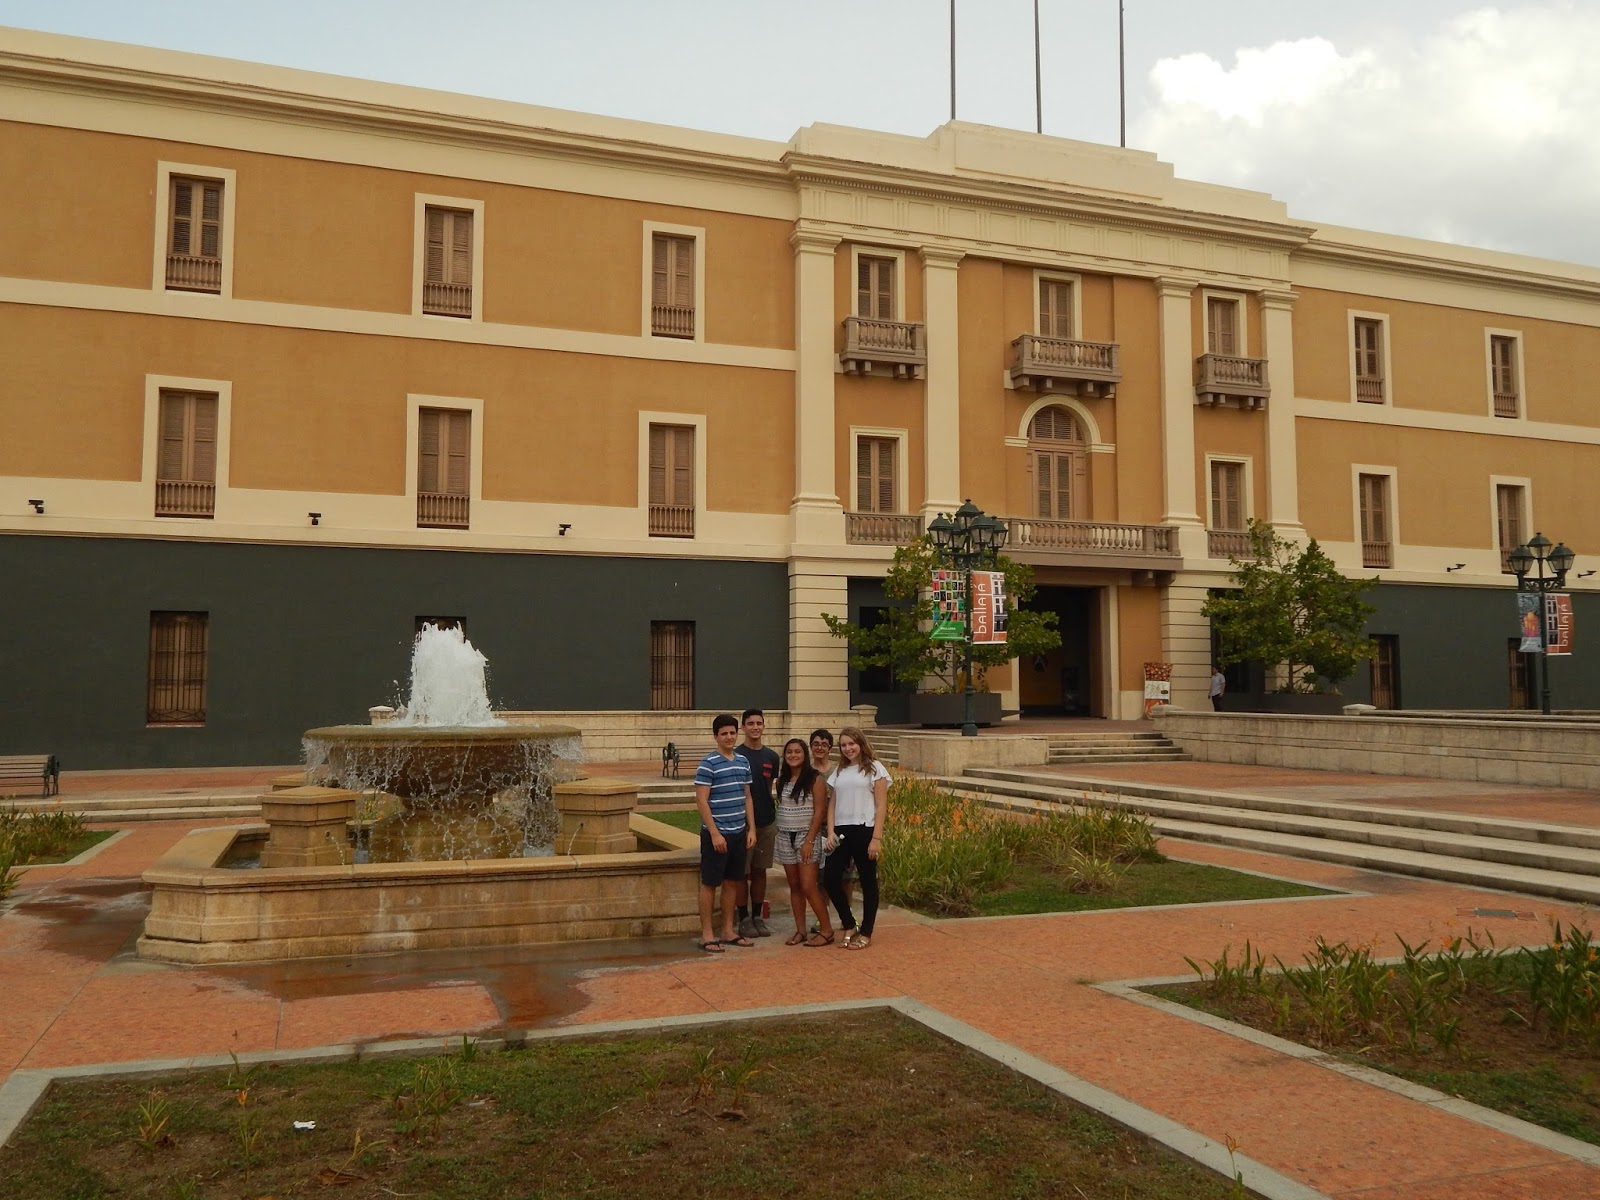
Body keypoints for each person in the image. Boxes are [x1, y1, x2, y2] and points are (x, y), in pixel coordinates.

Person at [692, 713, 757, 953]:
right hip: (716, 834)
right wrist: (715, 833)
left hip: (739, 832)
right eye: (724, 734)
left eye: (732, 733)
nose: (729, 737)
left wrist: (751, 828)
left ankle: (728, 930)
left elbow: (747, 797)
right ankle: (707, 934)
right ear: (716, 736)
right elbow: (701, 801)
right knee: (710, 883)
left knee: (732, 882)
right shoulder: (708, 763)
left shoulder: (742, 762)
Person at [823, 726, 890, 950]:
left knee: (868, 881)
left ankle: (867, 932)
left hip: (864, 829)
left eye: (851, 743)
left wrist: (876, 838)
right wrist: (830, 831)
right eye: (843, 745)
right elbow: (832, 803)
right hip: (841, 831)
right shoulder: (840, 771)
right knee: (830, 878)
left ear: (860, 744)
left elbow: (881, 805)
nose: (848, 748)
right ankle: (849, 924)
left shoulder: (874, 769)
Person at [773, 737, 835, 946]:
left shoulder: (814, 779)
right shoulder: (783, 779)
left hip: (805, 837)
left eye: (797, 752)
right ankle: (800, 930)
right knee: (795, 885)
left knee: (809, 885)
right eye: (789, 752)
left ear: (804, 754)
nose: (793, 755)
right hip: (784, 835)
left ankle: (826, 930)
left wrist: (809, 840)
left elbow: (820, 811)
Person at [735, 708, 780, 938]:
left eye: (759, 723)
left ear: (764, 726)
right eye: (750, 723)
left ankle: (757, 916)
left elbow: (770, 786)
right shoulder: (736, 755)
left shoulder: (771, 757)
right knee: (743, 872)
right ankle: (742, 917)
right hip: (741, 824)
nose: (755, 727)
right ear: (743, 727)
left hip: (766, 821)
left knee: (760, 870)